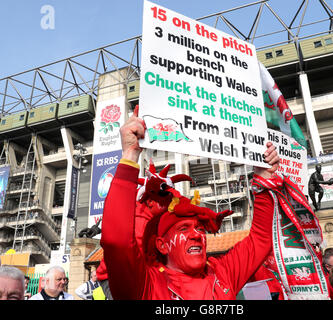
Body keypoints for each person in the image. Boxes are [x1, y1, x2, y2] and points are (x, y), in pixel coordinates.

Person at [100, 107, 281, 300]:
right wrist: (130, 154)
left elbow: (261, 240)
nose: (196, 235)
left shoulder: (222, 273)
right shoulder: (147, 285)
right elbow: (117, 242)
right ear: (162, 245)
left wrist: (263, 179)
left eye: (199, 229)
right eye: (184, 229)